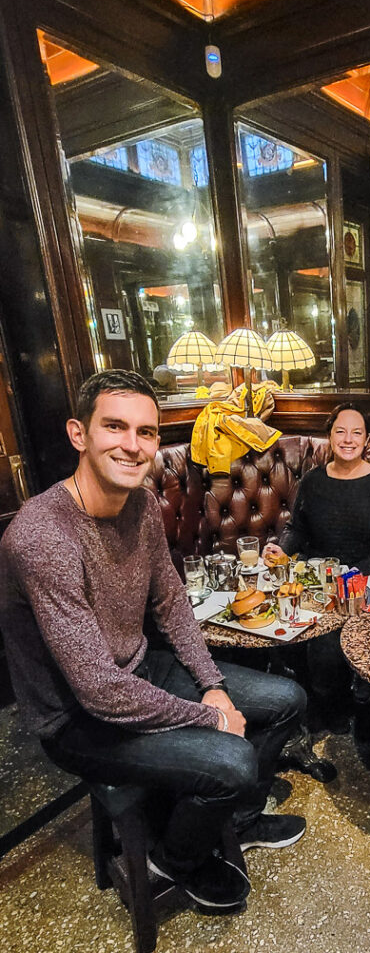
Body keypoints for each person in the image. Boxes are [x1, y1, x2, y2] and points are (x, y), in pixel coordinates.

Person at [0, 370, 307, 912]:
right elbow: (98, 691)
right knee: (234, 759)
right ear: (79, 434)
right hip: (76, 717)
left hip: (138, 669)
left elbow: (171, 604)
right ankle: (173, 859)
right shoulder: (42, 534)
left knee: (287, 701)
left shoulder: (140, 506)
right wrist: (211, 719)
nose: (132, 444)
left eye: (145, 432)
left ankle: (231, 817)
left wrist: (211, 686)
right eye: (114, 427)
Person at [263, 402, 370, 729]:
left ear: (367, 439)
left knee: (341, 624)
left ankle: (354, 702)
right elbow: (296, 528)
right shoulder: (314, 480)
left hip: (369, 573)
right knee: (296, 616)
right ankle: (315, 702)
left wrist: (355, 571)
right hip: (319, 572)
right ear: (329, 437)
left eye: (356, 433)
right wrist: (280, 548)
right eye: (340, 431)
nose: (348, 439)